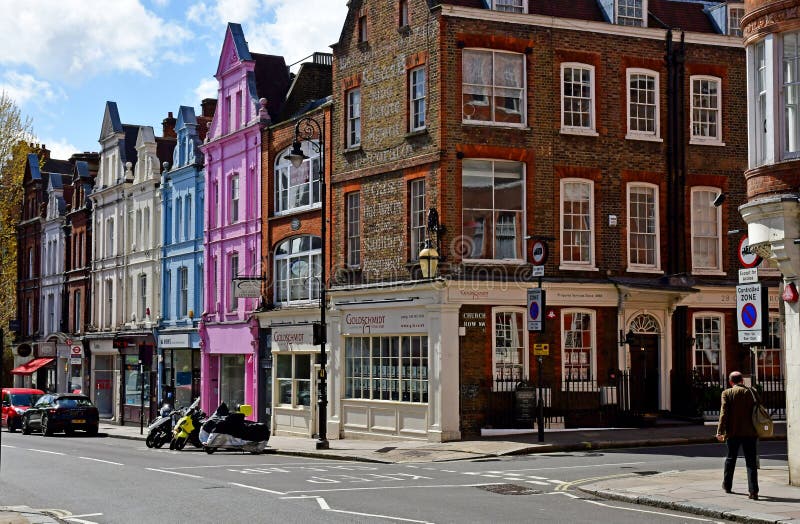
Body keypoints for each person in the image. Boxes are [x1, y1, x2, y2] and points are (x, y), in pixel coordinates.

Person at [716, 371, 760, 499]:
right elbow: (758, 409)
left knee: (730, 459)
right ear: (742, 380)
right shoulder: (752, 392)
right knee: (751, 462)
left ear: (730, 382)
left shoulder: (727, 393)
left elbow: (723, 413)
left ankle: (727, 485)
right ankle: (753, 491)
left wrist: (720, 431)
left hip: (733, 432)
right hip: (750, 432)